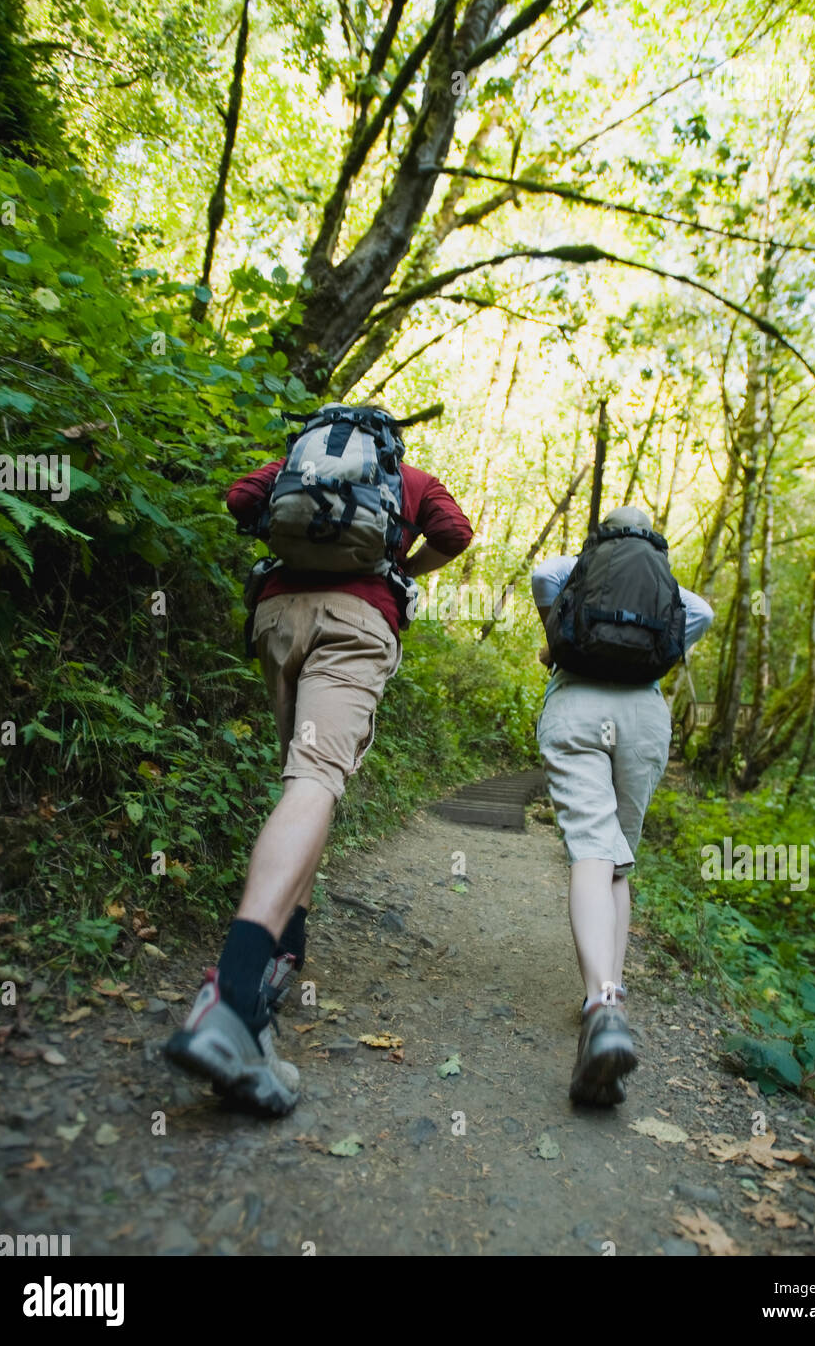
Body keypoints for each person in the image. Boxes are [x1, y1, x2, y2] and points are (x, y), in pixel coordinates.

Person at [166, 408, 474, 1115]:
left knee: (299, 785)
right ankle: (232, 998)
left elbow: (241, 500)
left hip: (278, 620)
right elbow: (456, 535)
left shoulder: (299, 464)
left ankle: (278, 966)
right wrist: (400, 562)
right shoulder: (409, 478)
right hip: (355, 622)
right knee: (314, 783)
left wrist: (294, 537)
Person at [532, 505, 714, 1107]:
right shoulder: (668, 587)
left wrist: (556, 635)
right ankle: (610, 992)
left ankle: (599, 1004)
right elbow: (704, 613)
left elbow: (542, 578)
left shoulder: (575, 567)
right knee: (619, 858)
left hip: (576, 703)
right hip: (641, 715)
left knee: (589, 844)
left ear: (603, 535)